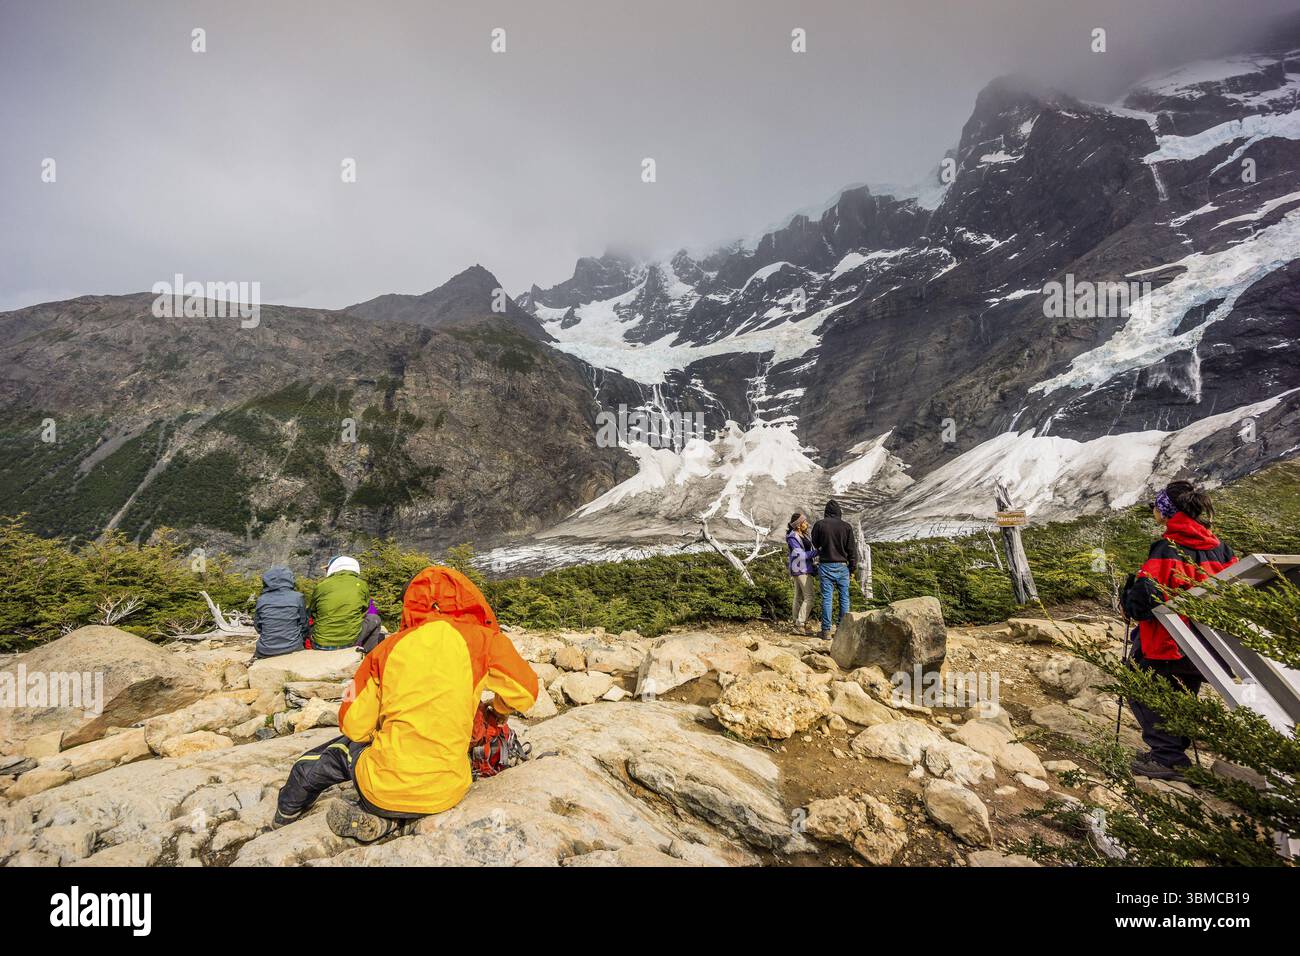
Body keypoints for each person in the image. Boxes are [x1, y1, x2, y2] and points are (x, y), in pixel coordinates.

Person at [273, 566, 539, 842]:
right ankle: (399, 824)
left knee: (339, 751)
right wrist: (497, 711)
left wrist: (378, 729)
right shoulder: (484, 641)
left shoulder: (384, 651)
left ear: (412, 604)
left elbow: (352, 726)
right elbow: (527, 692)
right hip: (448, 792)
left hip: (381, 791)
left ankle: (288, 809)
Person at [1121, 480, 1237, 780]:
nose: (1153, 511)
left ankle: (1168, 758)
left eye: (1157, 507)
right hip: (1210, 644)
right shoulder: (1222, 549)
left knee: (1140, 687)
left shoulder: (1168, 547)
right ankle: (1173, 753)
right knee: (1183, 694)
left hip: (1169, 642)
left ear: (1165, 510)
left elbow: (1146, 598)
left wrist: (1128, 598)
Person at [307, 555, 381, 651]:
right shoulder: (361, 585)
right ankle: (367, 654)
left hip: (320, 644)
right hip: (350, 641)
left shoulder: (321, 586)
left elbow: (312, 611)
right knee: (375, 618)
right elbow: (365, 610)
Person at [811, 499, 857, 637]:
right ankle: (842, 629)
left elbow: (815, 542)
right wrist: (852, 568)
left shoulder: (820, 525)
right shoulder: (847, 527)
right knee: (844, 598)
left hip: (825, 565)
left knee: (827, 598)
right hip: (843, 566)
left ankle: (825, 630)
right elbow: (852, 550)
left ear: (826, 512)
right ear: (839, 512)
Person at [252, 565, 308, 659]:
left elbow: (258, 627)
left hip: (265, 650)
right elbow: (304, 625)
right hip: (293, 648)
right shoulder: (298, 597)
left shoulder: (262, 599)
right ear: (290, 580)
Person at [786, 513, 819, 635]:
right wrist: (818, 552)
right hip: (801, 569)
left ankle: (796, 623)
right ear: (799, 525)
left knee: (798, 597)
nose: (807, 524)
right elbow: (800, 555)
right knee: (809, 597)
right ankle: (800, 623)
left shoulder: (802, 535)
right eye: (805, 522)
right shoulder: (792, 537)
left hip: (801, 569)